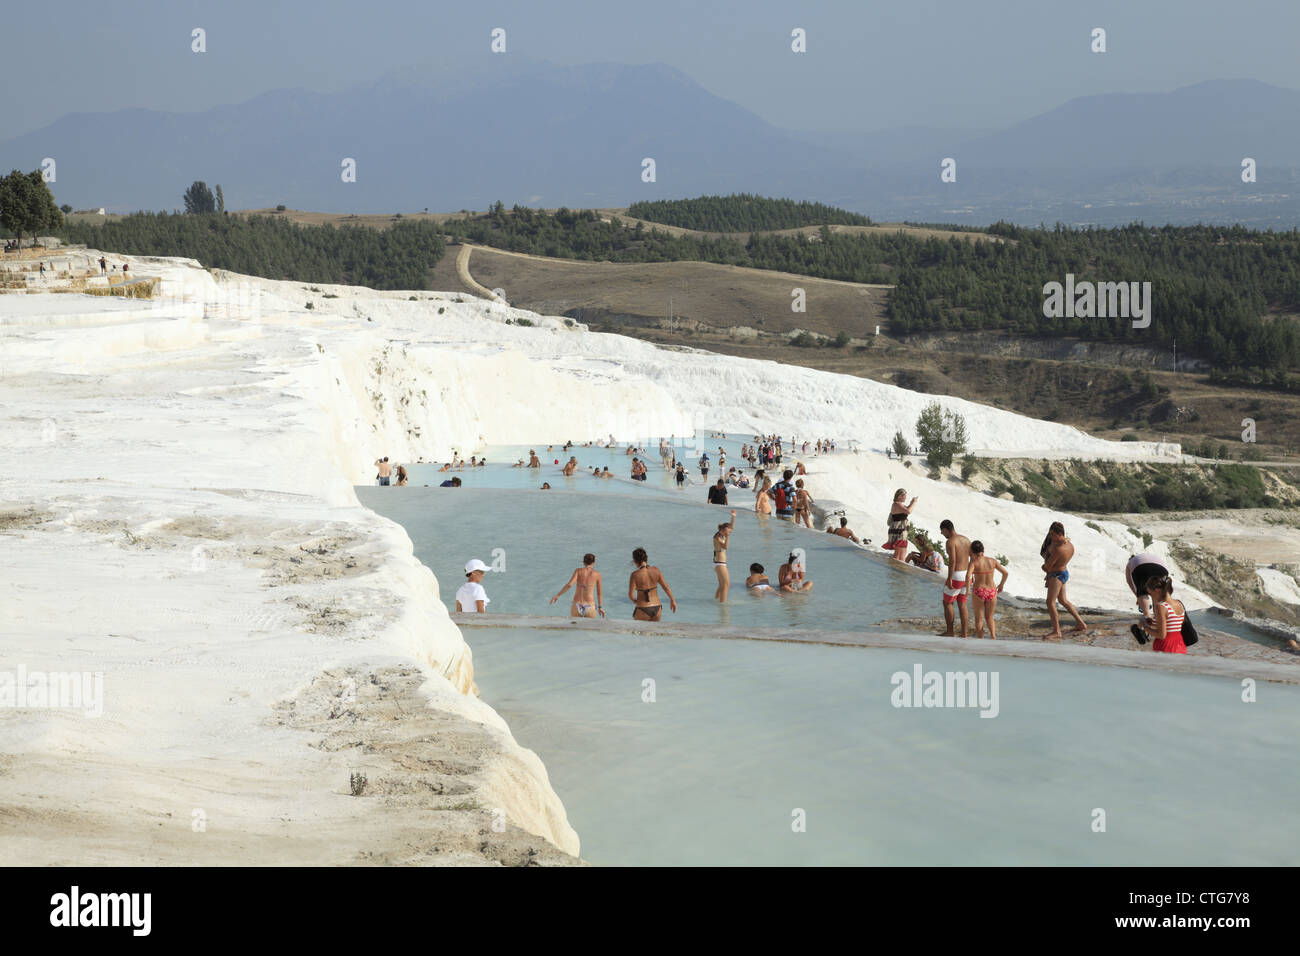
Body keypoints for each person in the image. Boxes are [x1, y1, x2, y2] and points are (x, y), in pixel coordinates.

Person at [1041, 521, 1087, 639]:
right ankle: (1081, 623)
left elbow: (1048, 566)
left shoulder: (1059, 549)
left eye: (1052, 534)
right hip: (1063, 572)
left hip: (1056, 575)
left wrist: (1044, 568)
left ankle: (1057, 631)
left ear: (1059, 534)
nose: (1050, 537)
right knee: (1063, 600)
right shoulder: (1069, 544)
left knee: (1050, 602)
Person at [965, 541, 1009, 639]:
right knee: (989, 618)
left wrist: (968, 589)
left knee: (979, 619)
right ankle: (993, 637)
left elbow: (968, 575)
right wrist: (1001, 585)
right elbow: (1005, 573)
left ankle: (980, 640)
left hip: (979, 591)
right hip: (992, 591)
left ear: (972, 551)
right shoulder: (992, 561)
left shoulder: (973, 563)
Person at [939, 519, 971, 637]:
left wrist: (949, 578)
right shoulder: (966, 539)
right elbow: (972, 557)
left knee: (947, 603)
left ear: (946, 529)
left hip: (957, 576)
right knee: (962, 603)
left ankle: (950, 631)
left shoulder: (951, 542)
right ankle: (964, 633)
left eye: (942, 532)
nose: (942, 535)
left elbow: (952, 561)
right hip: (967, 575)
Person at [551, 553, 605, 618]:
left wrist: (557, 595)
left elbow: (569, 585)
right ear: (593, 563)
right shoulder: (597, 574)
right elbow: (599, 593)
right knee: (589, 627)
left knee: (575, 627)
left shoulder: (578, 571)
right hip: (590, 606)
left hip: (576, 606)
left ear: (583, 562)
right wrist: (600, 607)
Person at [1143, 575, 1187, 654]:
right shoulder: (1179, 603)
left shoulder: (1161, 606)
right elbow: (1173, 624)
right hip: (1180, 646)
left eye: (1151, 594)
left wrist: (1145, 628)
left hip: (1164, 647)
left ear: (1156, 590)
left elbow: (1162, 635)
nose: (1151, 597)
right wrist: (1154, 622)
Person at [629, 547, 676, 621]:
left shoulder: (634, 575)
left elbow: (631, 596)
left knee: (638, 632)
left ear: (635, 560)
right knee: (654, 632)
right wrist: (672, 600)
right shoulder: (656, 570)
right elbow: (666, 587)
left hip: (642, 608)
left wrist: (636, 602)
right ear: (646, 558)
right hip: (657, 607)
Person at [1125, 552, 1168, 623]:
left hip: (1142, 568)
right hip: (1162, 569)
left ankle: (1148, 617)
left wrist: (1138, 596)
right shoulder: (1145, 556)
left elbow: (1129, 581)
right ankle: (1159, 615)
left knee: (1142, 591)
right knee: (1157, 591)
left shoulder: (1130, 563)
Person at [885, 489, 917, 562]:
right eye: (904, 495)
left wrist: (911, 503)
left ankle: (895, 571)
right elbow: (908, 511)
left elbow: (906, 509)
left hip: (901, 530)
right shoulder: (897, 504)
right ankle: (894, 570)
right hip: (899, 530)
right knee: (900, 552)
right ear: (899, 496)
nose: (905, 497)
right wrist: (914, 503)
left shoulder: (899, 504)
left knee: (902, 551)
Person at [712, 511, 736, 602]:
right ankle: (723, 604)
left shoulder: (723, 534)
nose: (730, 532)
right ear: (723, 530)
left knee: (722, 585)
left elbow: (732, 526)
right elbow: (725, 547)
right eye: (728, 531)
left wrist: (733, 516)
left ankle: (716, 600)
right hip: (719, 564)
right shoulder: (717, 537)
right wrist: (728, 536)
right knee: (726, 584)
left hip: (720, 563)